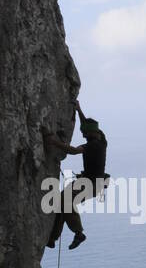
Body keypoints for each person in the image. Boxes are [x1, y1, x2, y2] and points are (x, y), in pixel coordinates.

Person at [43, 101, 109, 251]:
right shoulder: (102, 140)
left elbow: (73, 151)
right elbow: (87, 125)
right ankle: (52, 238)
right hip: (90, 182)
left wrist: (53, 142)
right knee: (62, 199)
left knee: (66, 200)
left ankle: (78, 233)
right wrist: (79, 110)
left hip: (91, 185)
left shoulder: (93, 146)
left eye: (85, 133)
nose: (83, 135)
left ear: (91, 134)